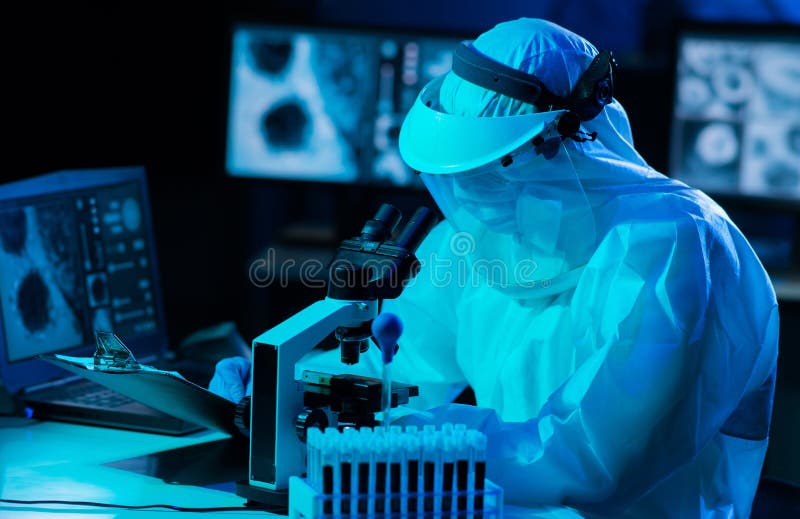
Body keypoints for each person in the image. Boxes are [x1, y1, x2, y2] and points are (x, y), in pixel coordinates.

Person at [211, 19, 778, 518]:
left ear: (566, 141)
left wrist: (418, 436)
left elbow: (592, 464)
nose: (476, 200)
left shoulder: (672, 243)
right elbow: (398, 363)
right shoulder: (484, 234)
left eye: (494, 171)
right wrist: (281, 388)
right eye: (466, 179)